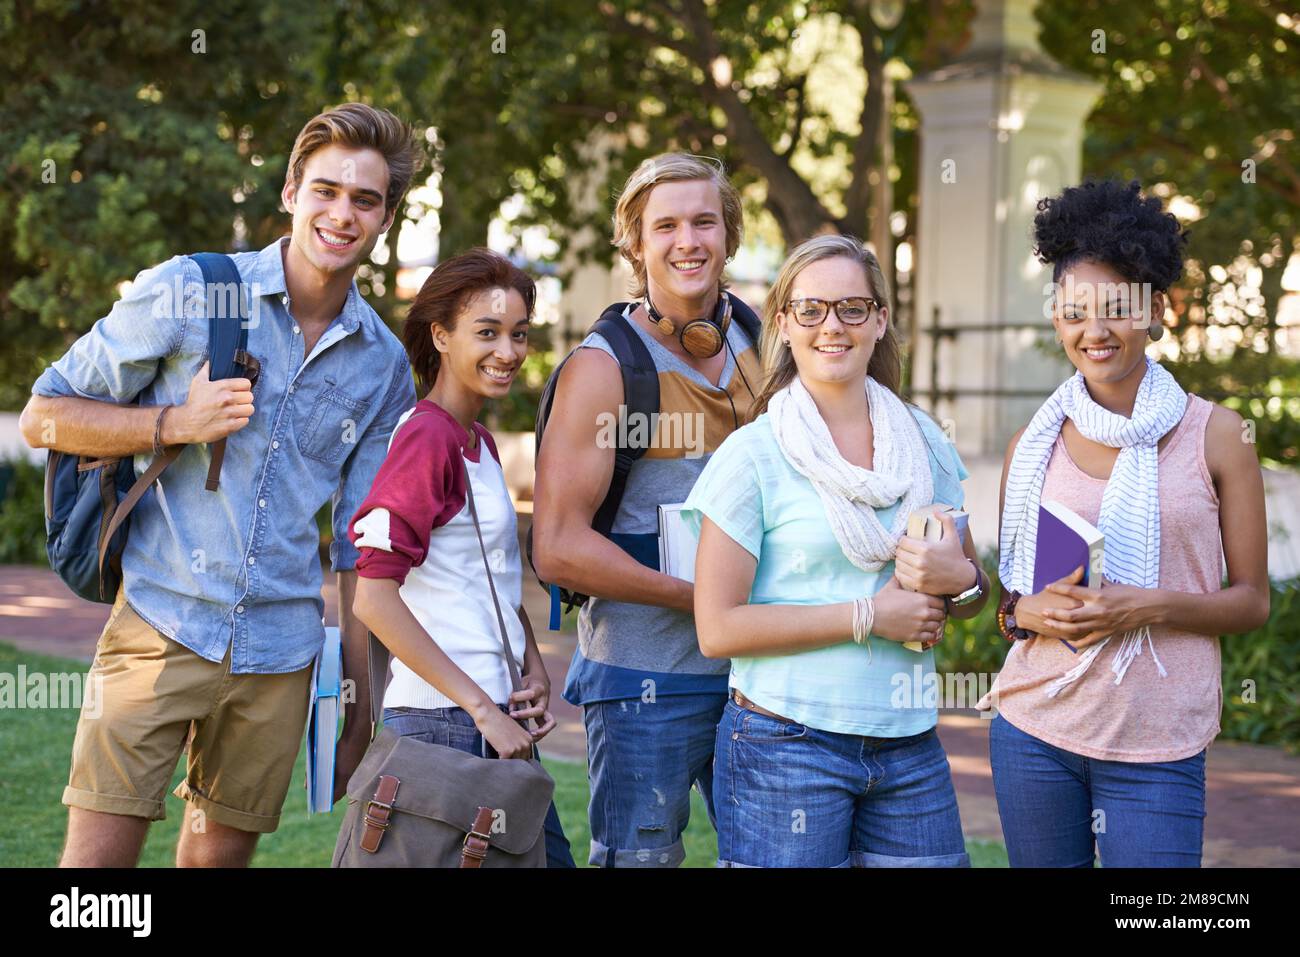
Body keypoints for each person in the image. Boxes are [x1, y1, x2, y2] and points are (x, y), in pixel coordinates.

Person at [20, 103, 423, 867]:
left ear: (386, 217)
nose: (342, 213)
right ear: (290, 193)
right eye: (326, 190)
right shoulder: (193, 289)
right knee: (95, 874)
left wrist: (363, 713)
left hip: (280, 656)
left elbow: (359, 551)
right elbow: (44, 416)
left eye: (364, 200)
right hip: (157, 625)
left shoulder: (382, 363)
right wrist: (173, 423)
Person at [987, 179, 1270, 867]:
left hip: (1158, 745)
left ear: (1157, 313)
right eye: (1075, 312)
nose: (1095, 331)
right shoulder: (1033, 443)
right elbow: (1010, 607)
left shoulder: (1220, 435)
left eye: (1117, 309)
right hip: (1033, 731)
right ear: (1056, 319)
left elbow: (1253, 601)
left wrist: (1146, 605)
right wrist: (1029, 612)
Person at [683, 233, 990, 867]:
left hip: (907, 742)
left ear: (879, 319)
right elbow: (716, 628)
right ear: (784, 323)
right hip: (783, 743)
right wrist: (869, 616)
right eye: (811, 309)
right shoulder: (753, 456)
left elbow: (968, 597)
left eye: (852, 308)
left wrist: (958, 579)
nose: (833, 326)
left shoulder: (925, 441)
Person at [531, 153, 763, 867]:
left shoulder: (763, 341)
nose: (687, 240)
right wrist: (704, 600)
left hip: (760, 677)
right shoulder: (605, 367)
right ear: (635, 242)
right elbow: (559, 548)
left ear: (730, 234)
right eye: (665, 225)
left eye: (705, 221)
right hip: (642, 678)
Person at [348, 248, 573, 867]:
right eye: (488, 333)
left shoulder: (476, 442)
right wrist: (482, 708)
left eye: (519, 334)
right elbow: (373, 596)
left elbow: (488, 579)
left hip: (492, 717)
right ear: (441, 336)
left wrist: (529, 665)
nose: (508, 351)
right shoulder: (426, 438)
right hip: (447, 725)